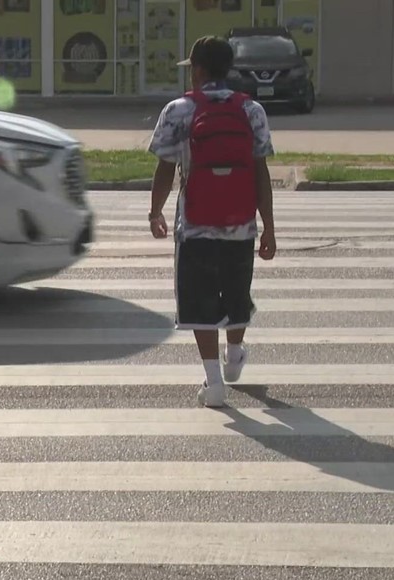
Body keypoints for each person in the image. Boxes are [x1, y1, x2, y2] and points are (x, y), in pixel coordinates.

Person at [146, 35, 276, 408]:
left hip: (196, 226)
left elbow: (165, 169)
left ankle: (214, 382)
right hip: (241, 226)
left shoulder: (178, 110)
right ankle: (234, 356)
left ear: (198, 70)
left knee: (199, 301)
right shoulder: (251, 111)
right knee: (236, 295)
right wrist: (268, 226)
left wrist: (155, 212)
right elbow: (260, 172)